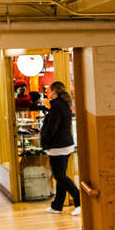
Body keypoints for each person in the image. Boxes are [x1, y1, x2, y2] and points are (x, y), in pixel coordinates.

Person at [40, 81, 81, 217]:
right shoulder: (63, 105)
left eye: (49, 90)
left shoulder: (57, 106)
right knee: (61, 176)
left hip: (58, 147)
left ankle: (79, 201)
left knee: (60, 176)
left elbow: (52, 128)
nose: (48, 93)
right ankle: (57, 206)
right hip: (65, 145)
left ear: (54, 92)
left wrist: (45, 141)